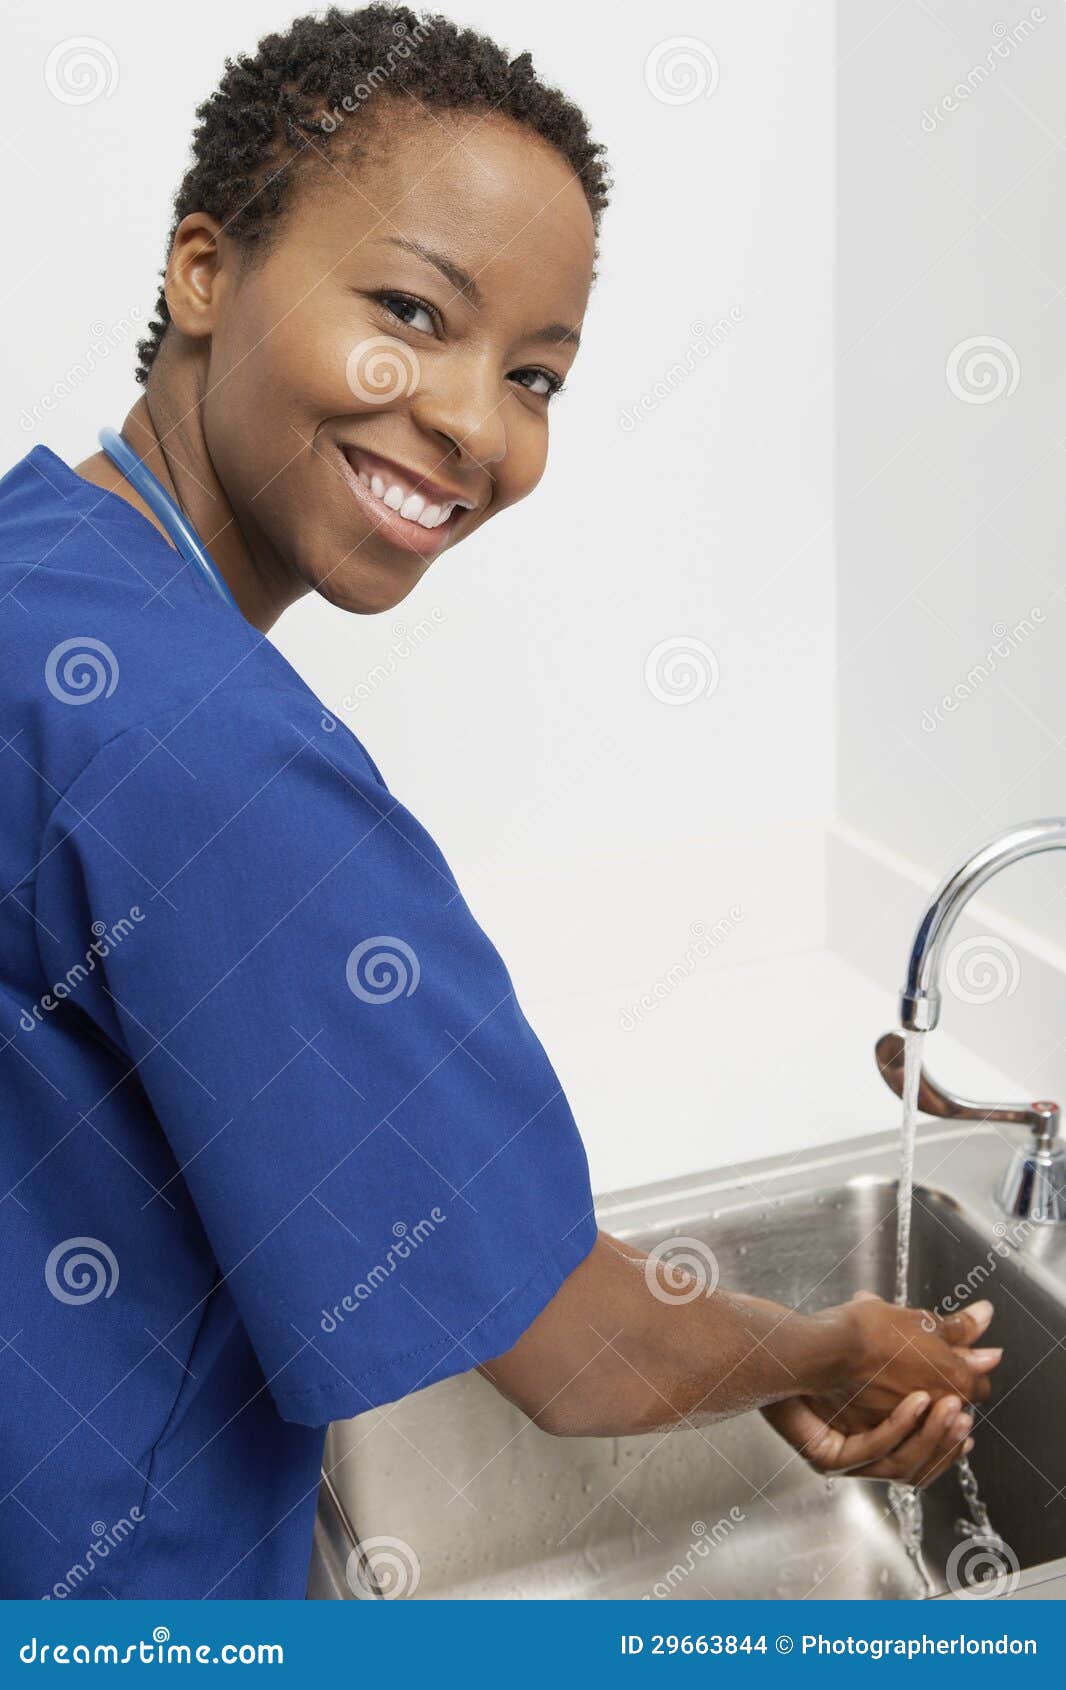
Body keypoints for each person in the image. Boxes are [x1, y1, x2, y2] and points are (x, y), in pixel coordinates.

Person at [0, 5, 1000, 1600]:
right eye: (410, 309)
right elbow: (573, 1349)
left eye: (535, 373)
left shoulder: (38, 572)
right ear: (203, 269)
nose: (477, 422)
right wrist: (811, 1344)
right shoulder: (214, 754)